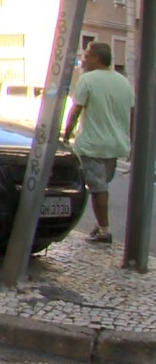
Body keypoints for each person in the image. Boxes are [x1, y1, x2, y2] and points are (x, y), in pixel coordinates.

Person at [63, 41, 135, 244]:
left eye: (87, 55)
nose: (84, 58)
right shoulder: (123, 82)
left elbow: (76, 110)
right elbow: (131, 113)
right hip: (116, 145)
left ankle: (104, 230)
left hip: (93, 145)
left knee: (98, 189)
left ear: (97, 58)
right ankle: (100, 223)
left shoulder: (87, 80)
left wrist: (66, 134)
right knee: (102, 186)